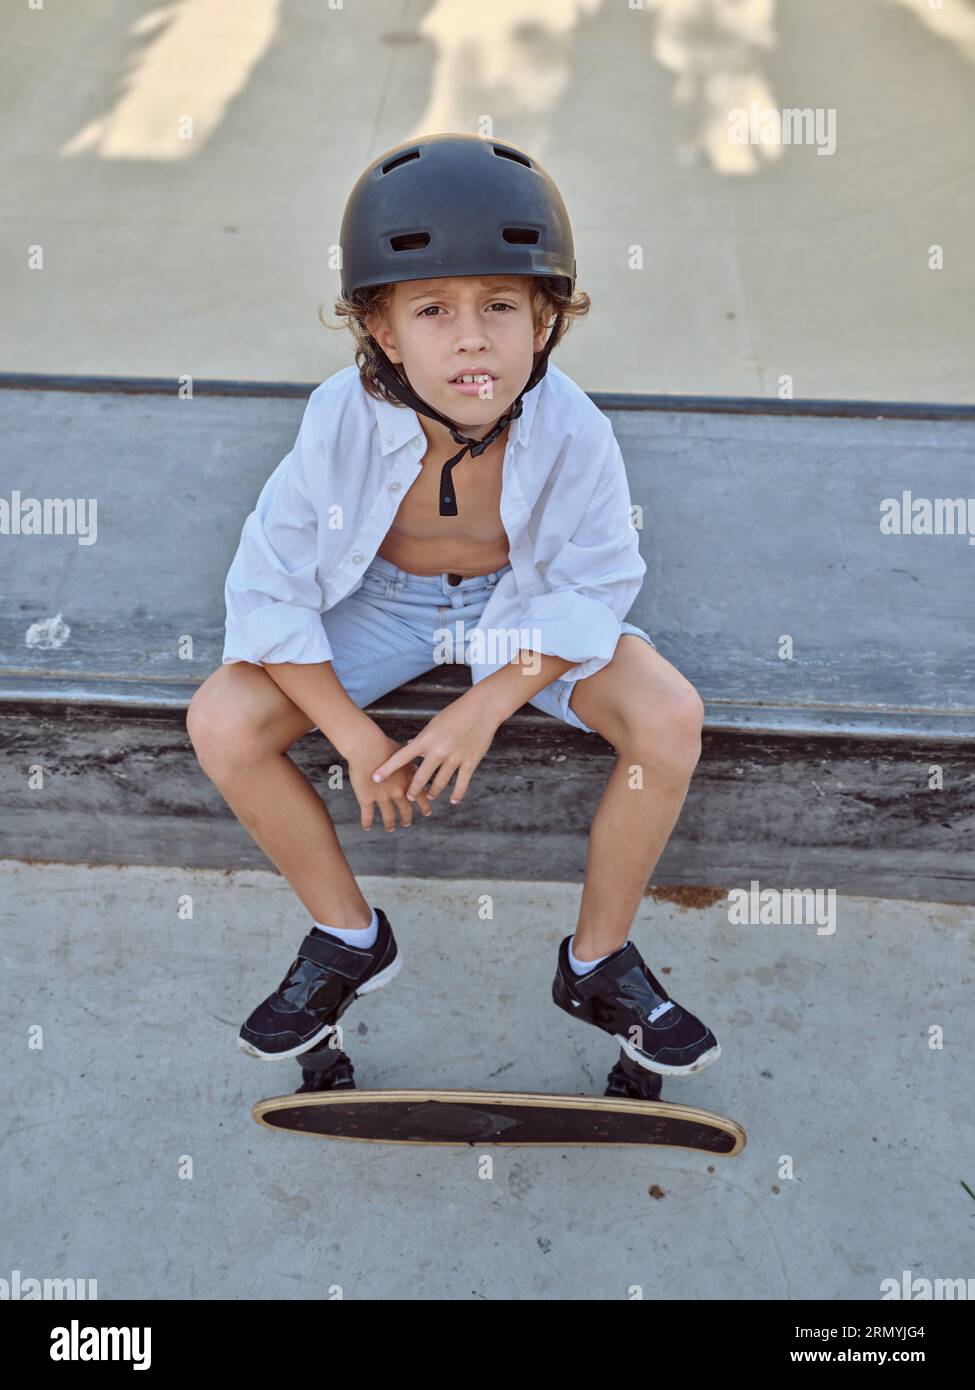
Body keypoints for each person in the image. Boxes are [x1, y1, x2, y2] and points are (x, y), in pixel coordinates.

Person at [187, 132, 719, 1079]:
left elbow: (592, 588)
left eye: (501, 306)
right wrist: (353, 737)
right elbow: (272, 590)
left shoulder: (573, 431)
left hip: (519, 609)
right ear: (383, 332)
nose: (471, 336)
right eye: (432, 309)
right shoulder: (338, 420)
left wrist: (485, 706)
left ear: (545, 321)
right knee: (222, 719)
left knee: (670, 715)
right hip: (379, 603)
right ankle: (347, 938)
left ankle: (597, 963)